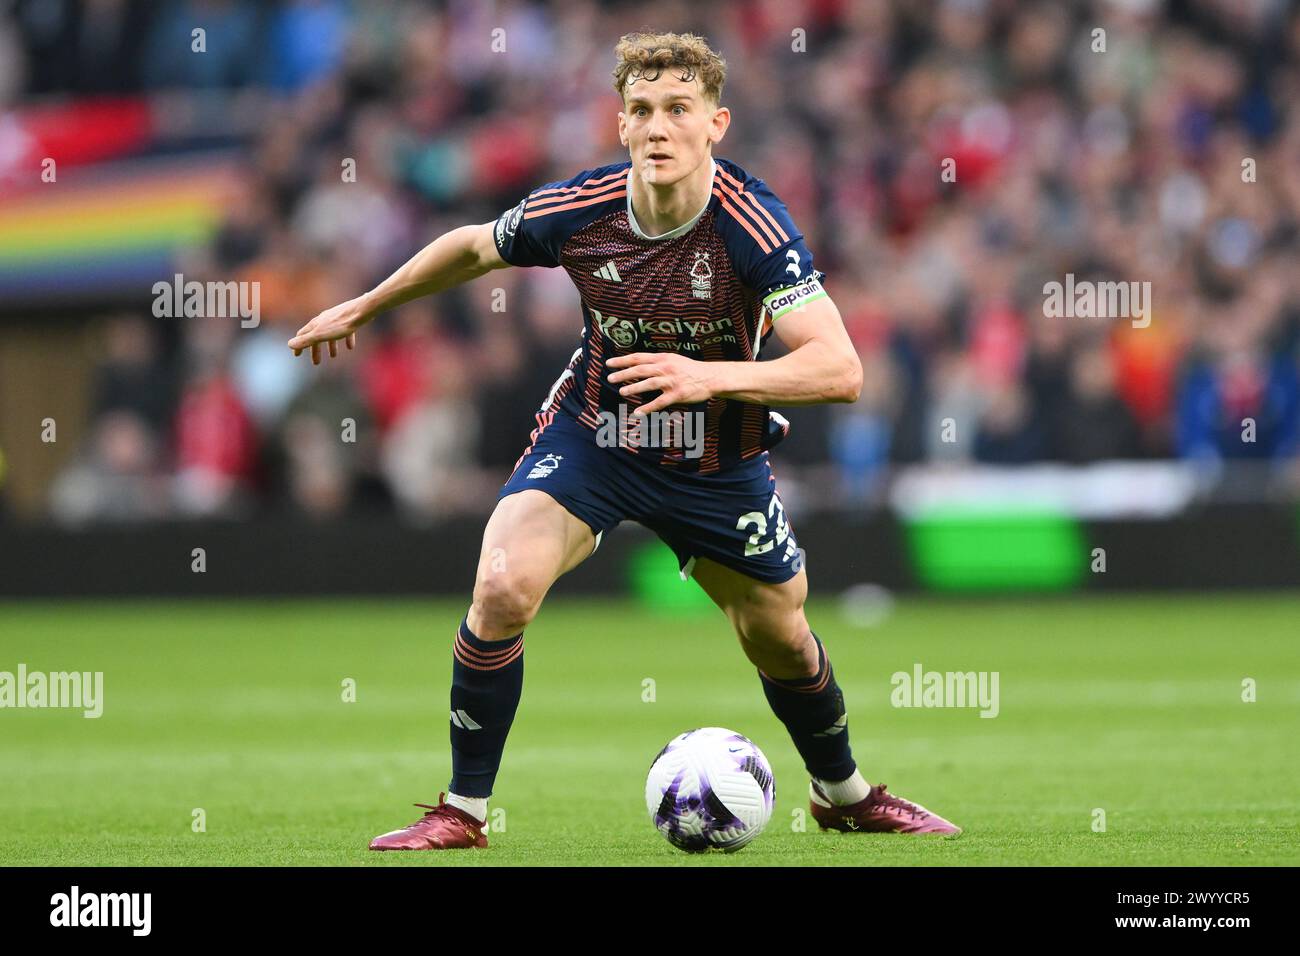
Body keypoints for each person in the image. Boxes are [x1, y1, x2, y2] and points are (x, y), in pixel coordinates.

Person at [289, 31, 959, 850]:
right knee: (501, 586)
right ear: (620, 125)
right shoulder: (580, 210)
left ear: (716, 124)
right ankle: (462, 813)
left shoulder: (753, 226)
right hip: (598, 436)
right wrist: (365, 305)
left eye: (678, 109)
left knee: (779, 635)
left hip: (716, 461)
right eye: (641, 110)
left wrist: (707, 378)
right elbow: (471, 248)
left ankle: (843, 794)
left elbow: (840, 367)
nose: (658, 127)